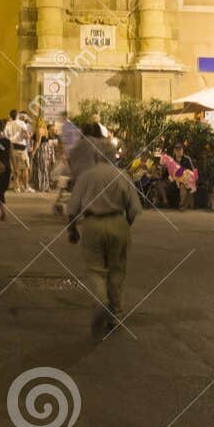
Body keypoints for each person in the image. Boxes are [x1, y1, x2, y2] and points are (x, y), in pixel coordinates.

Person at [65, 122, 141, 336]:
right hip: (118, 223)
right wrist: (125, 226)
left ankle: (100, 302)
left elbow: (73, 207)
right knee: (117, 271)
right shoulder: (122, 175)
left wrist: (72, 229)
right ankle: (115, 314)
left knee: (96, 270)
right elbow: (134, 209)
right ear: (114, 155)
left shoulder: (87, 176)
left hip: (93, 224)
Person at [3, 109, 32, 191]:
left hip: (12, 147)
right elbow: (26, 134)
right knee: (25, 168)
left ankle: (17, 187)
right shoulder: (22, 123)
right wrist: (28, 136)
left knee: (15, 168)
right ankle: (25, 186)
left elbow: (5, 135)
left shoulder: (8, 124)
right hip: (21, 147)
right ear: (17, 115)